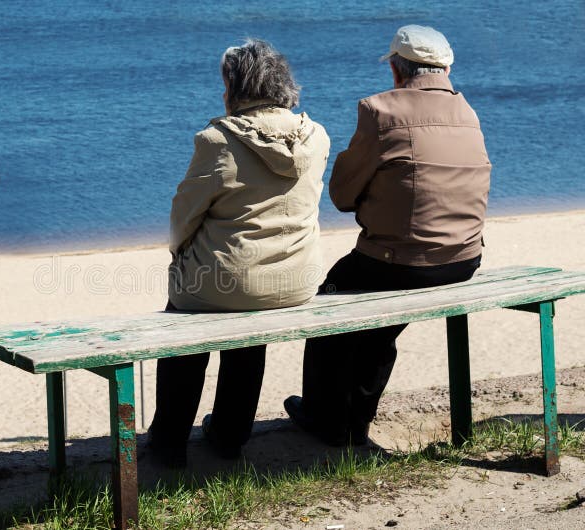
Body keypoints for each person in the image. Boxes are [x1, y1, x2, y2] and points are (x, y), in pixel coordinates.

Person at [285, 25, 491, 446]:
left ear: (397, 71)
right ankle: (355, 420)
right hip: (464, 259)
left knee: (331, 301)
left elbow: (342, 195)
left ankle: (327, 420)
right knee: (381, 327)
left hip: (403, 262)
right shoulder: (469, 113)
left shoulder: (382, 111)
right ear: (446, 68)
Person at [148, 39, 330, 466]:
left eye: (224, 84)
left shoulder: (217, 140)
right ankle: (230, 434)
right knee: (251, 315)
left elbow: (183, 217)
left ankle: (169, 442)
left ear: (236, 86)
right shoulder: (316, 137)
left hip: (227, 283)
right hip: (297, 281)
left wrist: (179, 255)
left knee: (186, 320)